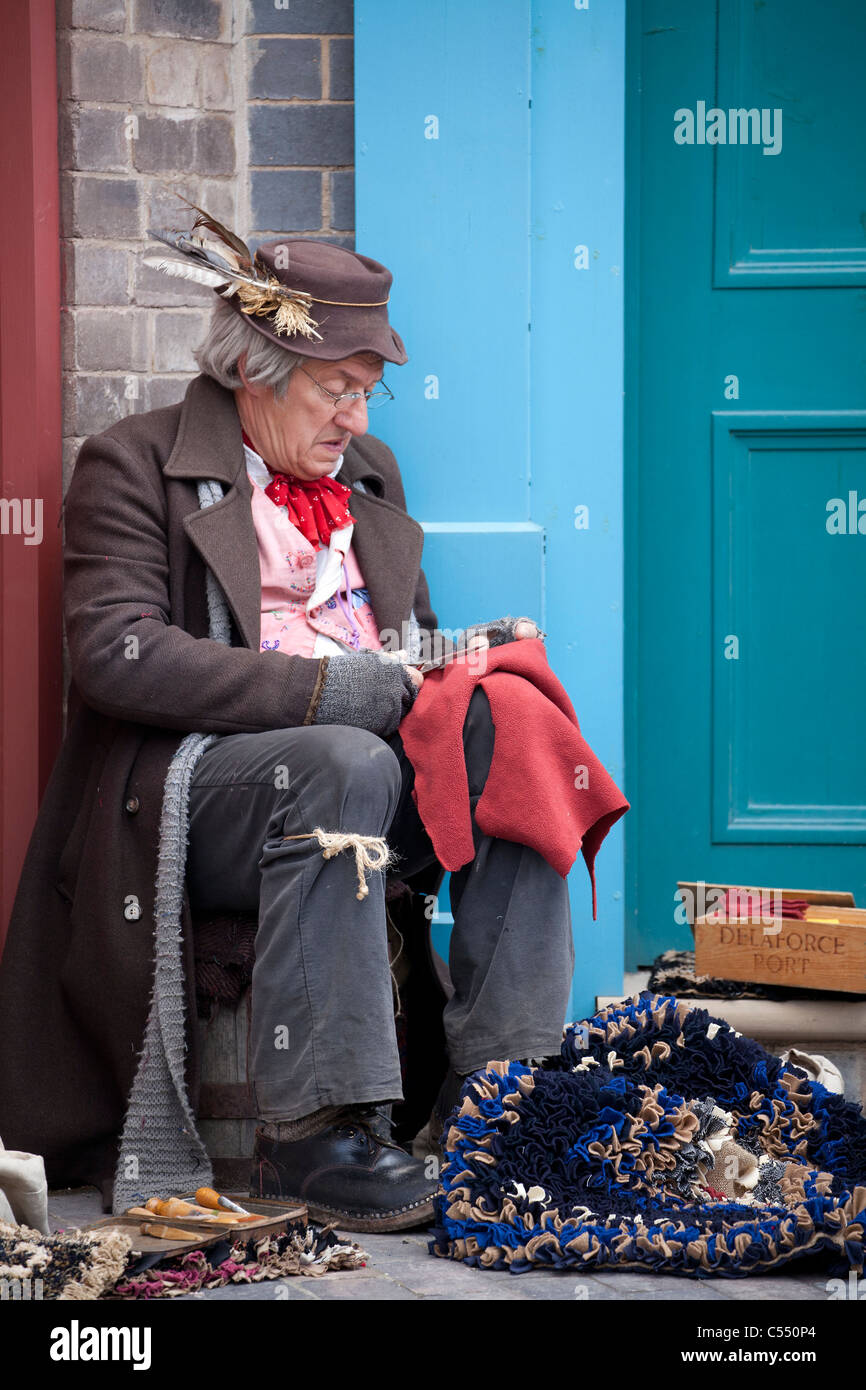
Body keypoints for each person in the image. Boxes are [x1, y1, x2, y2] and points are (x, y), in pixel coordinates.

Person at [0, 226, 574, 1231]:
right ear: (249, 373)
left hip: (355, 773)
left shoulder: (371, 473)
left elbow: (402, 648)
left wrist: (462, 658)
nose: (355, 416)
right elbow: (117, 653)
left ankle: (500, 1093)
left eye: (367, 390)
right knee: (339, 753)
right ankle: (321, 1131)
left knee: (513, 719)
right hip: (197, 792)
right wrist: (326, 693)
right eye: (334, 388)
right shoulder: (133, 463)